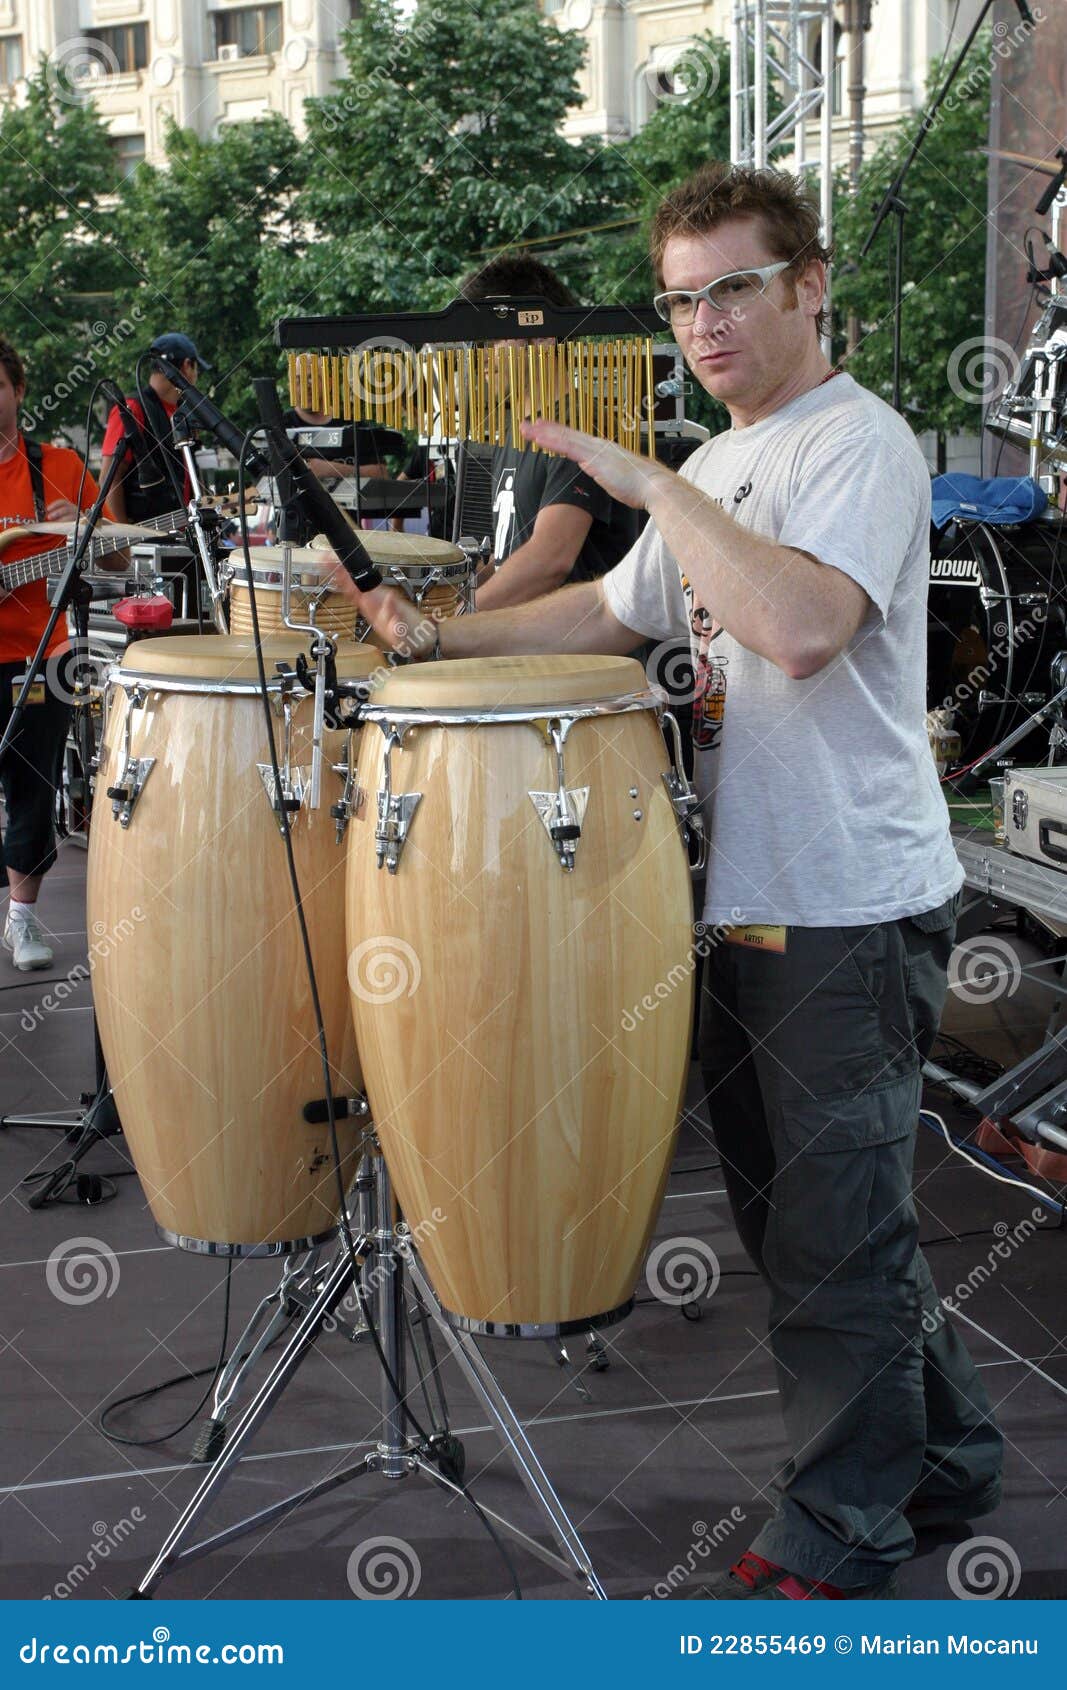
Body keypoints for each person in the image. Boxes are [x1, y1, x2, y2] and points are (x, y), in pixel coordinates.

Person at [329, 162, 1003, 1600]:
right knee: (808, 1220)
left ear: (807, 284)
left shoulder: (853, 442)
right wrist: (442, 639)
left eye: (731, 289)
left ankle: (841, 1528)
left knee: (833, 1230)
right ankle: (943, 1452)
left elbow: (800, 626)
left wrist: (642, 482)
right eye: (679, 298)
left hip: (845, 902)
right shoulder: (717, 464)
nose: (702, 323)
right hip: (744, 897)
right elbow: (601, 608)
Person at [0, 338, 119, 970]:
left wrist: (91, 530)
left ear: (18, 389)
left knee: (34, 783)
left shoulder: (60, 465)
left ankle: (22, 920)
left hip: (42, 657)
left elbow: (123, 556)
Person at [457, 253, 639, 608]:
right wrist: (454, 597)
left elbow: (549, 560)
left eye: (489, 340)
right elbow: (513, 556)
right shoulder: (516, 431)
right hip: (531, 648)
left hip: (579, 657)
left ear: (541, 337)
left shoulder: (583, 424)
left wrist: (457, 624)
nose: (480, 358)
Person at [100, 332, 210, 523]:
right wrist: (124, 537)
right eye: (196, 368)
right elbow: (109, 481)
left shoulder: (181, 415)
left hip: (178, 535)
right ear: (187, 365)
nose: (196, 376)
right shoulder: (132, 408)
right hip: (143, 540)